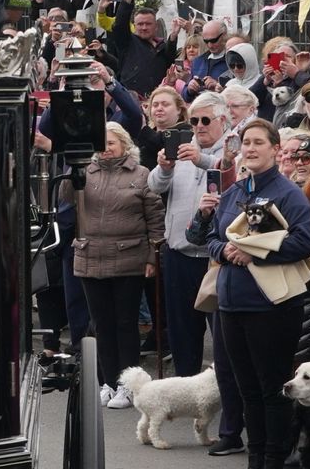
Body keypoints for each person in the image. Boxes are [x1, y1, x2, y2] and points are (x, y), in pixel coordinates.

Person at [209, 120, 310, 469]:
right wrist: (223, 251)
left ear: (276, 150)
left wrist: (254, 250)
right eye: (246, 143)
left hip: (272, 306)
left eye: (258, 143)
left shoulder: (289, 194)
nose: (250, 148)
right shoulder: (235, 191)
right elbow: (212, 237)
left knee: (271, 390)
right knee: (247, 390)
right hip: (231, 302)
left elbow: (304, 243)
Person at [65, 123, 162, 408]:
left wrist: (152, 257)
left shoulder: (141, 174)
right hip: (90, 255)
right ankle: (108, 382)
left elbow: (155, 218)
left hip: (129, 257)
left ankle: (127, 385)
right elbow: (64, 197)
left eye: (111, 143)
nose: (106, 148)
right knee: (101, 325)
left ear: (124, 144)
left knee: (125, 324)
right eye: (101, 143)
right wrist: (75, 168)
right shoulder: (87, 171)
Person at [148, 93, 233, 381]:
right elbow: (153, 185)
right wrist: (165, 167)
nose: (198, 126)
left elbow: (232, 176)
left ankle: (226, 392)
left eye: (205, 120)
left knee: (221, 333)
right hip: (179, 252)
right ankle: (184, 387)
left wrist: (202, 160)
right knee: (182, 330)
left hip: (215, 258)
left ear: (222, 120)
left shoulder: (232, 150)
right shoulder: (182, 148)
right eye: (194, 120)